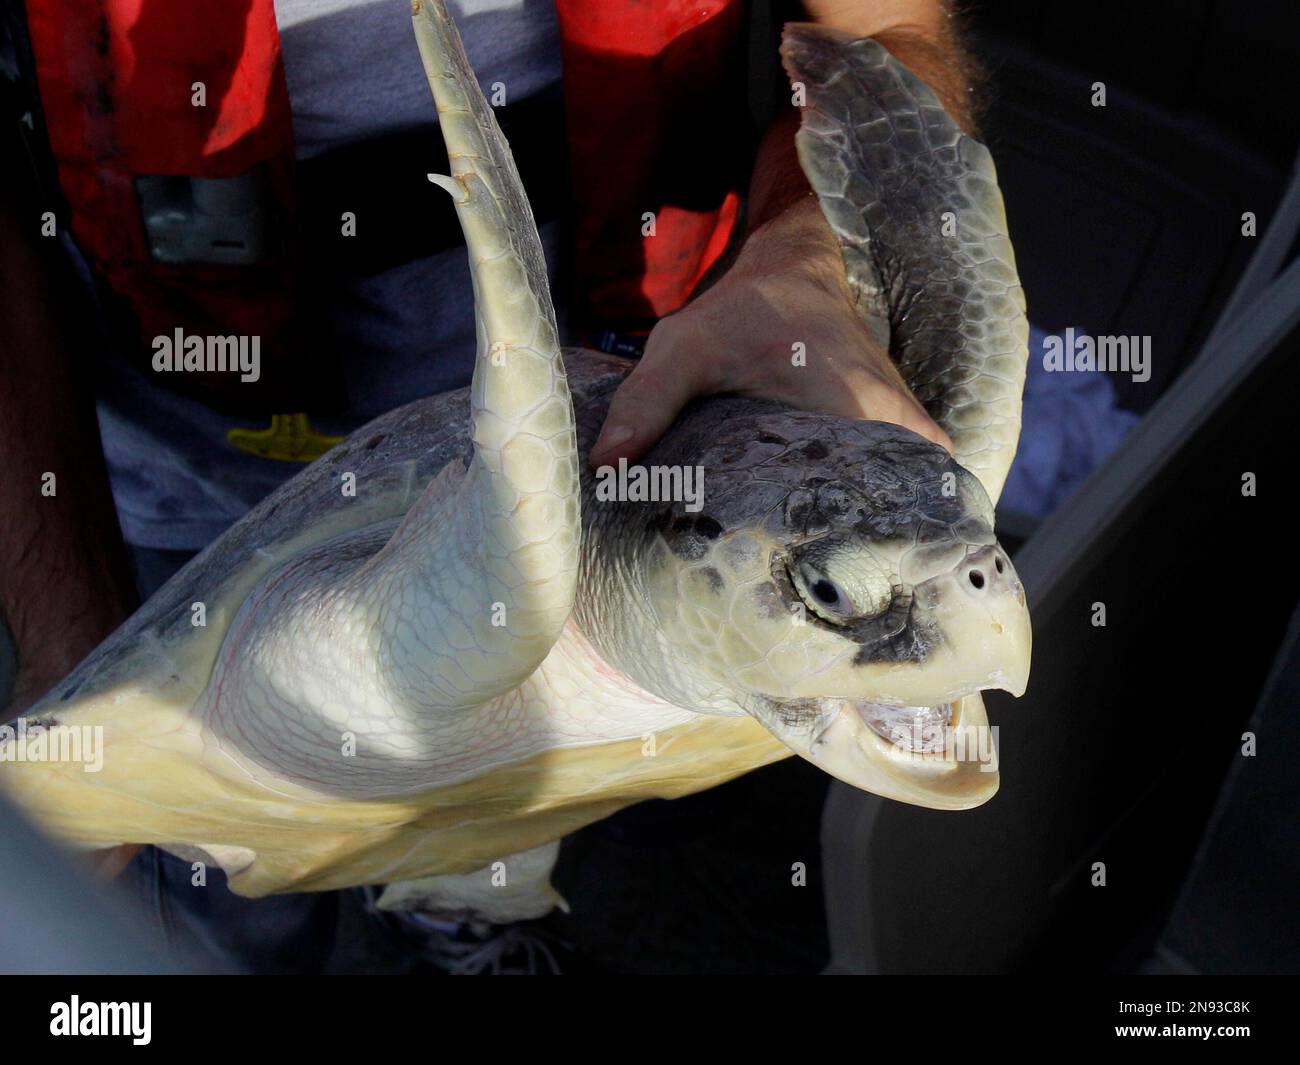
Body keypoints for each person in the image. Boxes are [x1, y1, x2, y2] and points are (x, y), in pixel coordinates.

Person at [0, 0, 972, 970]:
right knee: (203, 871)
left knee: (571, 776)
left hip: (651, 414)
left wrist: (808, 252)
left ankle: (468, 906)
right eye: (834, 590)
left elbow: (888, 37)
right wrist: (70, 639)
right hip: (208, 466)